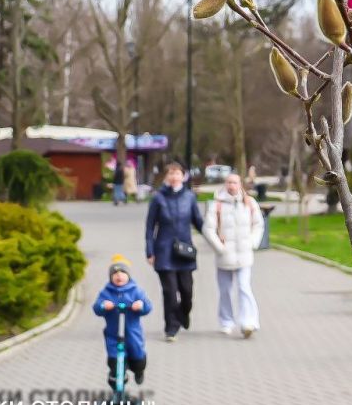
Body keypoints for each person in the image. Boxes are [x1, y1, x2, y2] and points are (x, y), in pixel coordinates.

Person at [145, 162, 203, 341]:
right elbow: (149, 227)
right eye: (170, 173)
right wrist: (150, 251)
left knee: (187, 291)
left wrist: (216, 236)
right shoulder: (158, 198)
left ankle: (183, 313)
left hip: (184, 251)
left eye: (177, 173)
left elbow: (198, 222)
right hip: (164, 251)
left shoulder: (189, 197)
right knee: (170, 291)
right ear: (166, 177)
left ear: (183, 176)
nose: (174, 176)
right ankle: (171, 327)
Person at [203, 173, 264, 338]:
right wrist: (219, 247)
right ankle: (226, 321)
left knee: (244, 287)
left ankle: (248, 322)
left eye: (235, 182)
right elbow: (208, 229)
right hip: (224, 256)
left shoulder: (249, 203)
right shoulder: (216, 205)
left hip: (244, 255)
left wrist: (252, 242)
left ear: (240, 184)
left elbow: (258, 224)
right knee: (225, 290)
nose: (232, 186)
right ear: (225, 184)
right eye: (229, 182)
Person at [92, 255, 152, 388]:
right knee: (114, 360)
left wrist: (140, 305)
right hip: (113, 333)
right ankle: (117, 385)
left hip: (132, 333)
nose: (119, 276)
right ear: (111, 276)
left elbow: (148, 306)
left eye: (122, 273)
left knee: (137, 356)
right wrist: (103, 305)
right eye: (115, 273)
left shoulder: (136, 291)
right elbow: (96, 307)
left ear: (128, 275)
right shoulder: (106, 292)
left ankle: (138, 370)